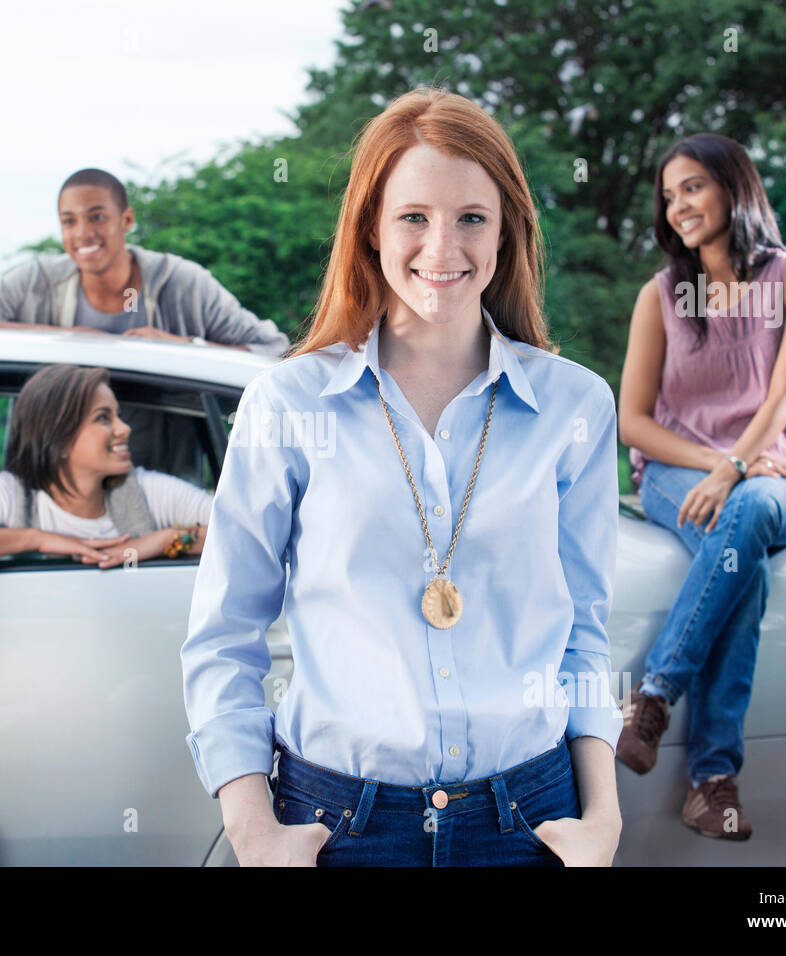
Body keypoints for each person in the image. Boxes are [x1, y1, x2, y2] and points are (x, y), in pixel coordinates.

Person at [180, 88, 623, 867]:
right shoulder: (287, 403)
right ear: (371, 229)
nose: (441, 246)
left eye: (471, 218)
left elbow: (583, 629)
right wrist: (254, 832)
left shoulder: (576, 405)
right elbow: (225, 634)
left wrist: (605, 820)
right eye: (414, 216)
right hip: (337, 825)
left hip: (534, 822)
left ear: (508, 229)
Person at [617, 133, 786, 840]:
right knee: (747, 564)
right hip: (678, 473)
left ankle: (654, 692)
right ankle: (712, 781)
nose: (679, 206)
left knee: (750, 516)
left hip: (777, 470)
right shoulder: (662, 295)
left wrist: (739, 462)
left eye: (693, 187)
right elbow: (633, 422)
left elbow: (785, 391)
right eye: (669, 195)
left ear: (735, 188)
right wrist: (719, 461)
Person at [0, 168, 290, 356]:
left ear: (126, 221)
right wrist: (63, 337)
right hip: (58, 479)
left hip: (163, 478)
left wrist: (182, 347)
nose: (83, 234)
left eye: (97, 217)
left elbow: (274, 351)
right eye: (69, 221)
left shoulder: (185, 284)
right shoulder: (38, 281)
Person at [0, 364, 212, 571]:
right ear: (60, 438)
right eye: (103, 418)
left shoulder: (148, 490)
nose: (125, 429)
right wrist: (36, 539)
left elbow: (245, 531)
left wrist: (165, 539)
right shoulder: (12, 493)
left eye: (118, 415)